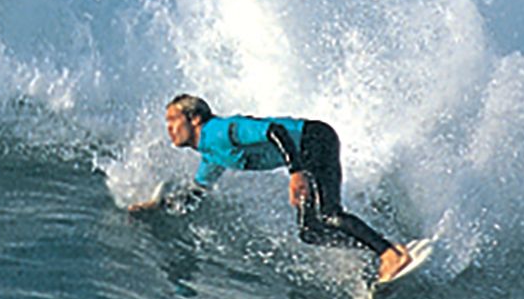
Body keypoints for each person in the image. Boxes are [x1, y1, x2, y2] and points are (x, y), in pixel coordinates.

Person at [147, 93, 412, 282]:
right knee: (311, 232)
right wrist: (158, 207)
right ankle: (386, 249)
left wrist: (296, 172)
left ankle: (388, 254)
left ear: (194, 119)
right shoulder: (211, 154)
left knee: (329, 214)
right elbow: (197, 194)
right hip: (306, 152)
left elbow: (275, 131)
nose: (169, 128)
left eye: (173, 119)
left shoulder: (221, 130)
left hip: (314, 139)